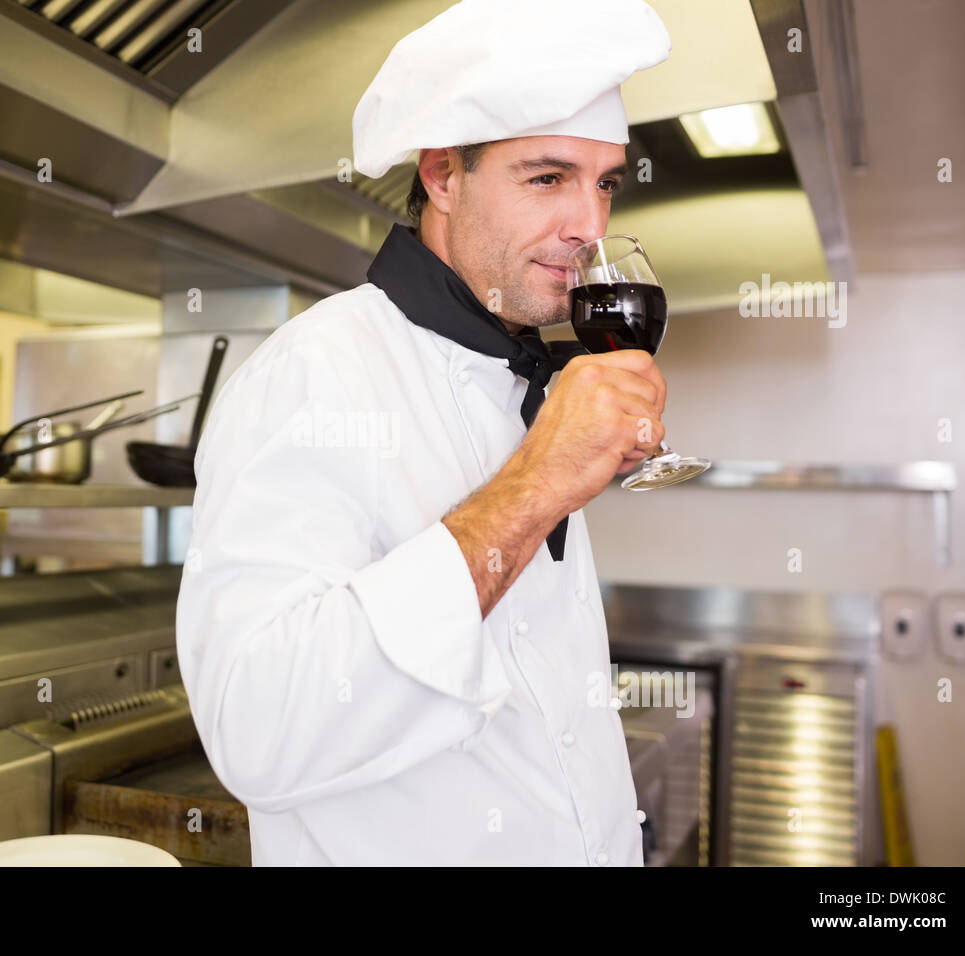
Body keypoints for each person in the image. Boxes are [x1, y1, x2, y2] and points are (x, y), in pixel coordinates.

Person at [176, 0, 673, 865]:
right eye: (547, 178)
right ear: (442, 175)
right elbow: (256, 730)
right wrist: (537, 486)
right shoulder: (315, 372)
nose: (589, 228)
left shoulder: (521, 371)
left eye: (604, 184)